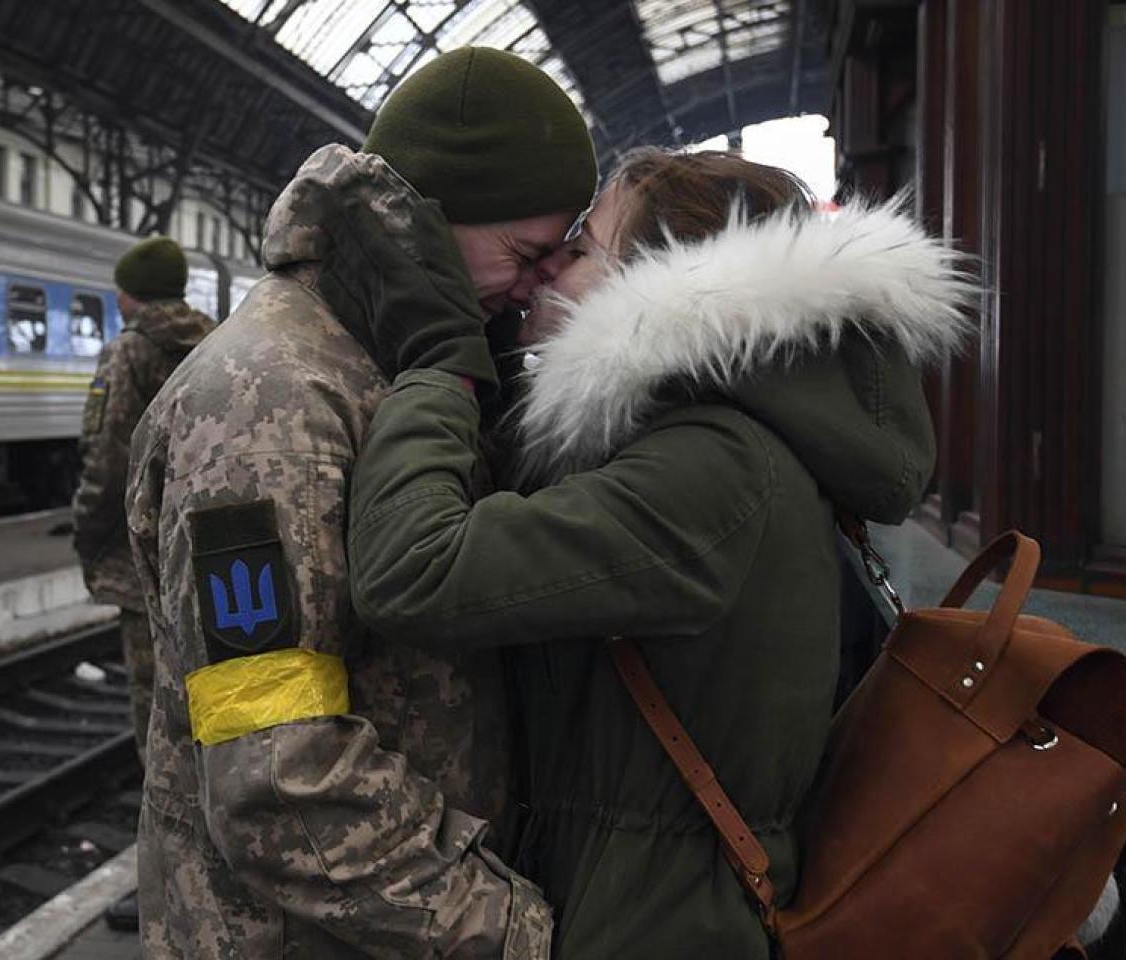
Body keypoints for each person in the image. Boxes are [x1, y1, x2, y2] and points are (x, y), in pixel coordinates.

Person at [340, 149, 973, 959]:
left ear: (657, 285)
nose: (549, 269)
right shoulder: (715, 441)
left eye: (582, 247)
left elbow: (415, 569)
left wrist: (440, 367)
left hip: (655, 924)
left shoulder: (711, 470)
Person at [124, 47, 596, 958]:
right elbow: (278, 778)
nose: (538, 282)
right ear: (424, 226)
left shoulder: (395, 364)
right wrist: (514, 931)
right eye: (525, 255)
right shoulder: (270, 402)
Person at [72, 234, 215, 758]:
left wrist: (87, 529)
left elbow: (107, 456)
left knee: (154, 688)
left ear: (133, 294)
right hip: (210, 538)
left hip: (146, 546)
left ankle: (165, 792)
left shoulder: (127, 351)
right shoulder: (216, 341)